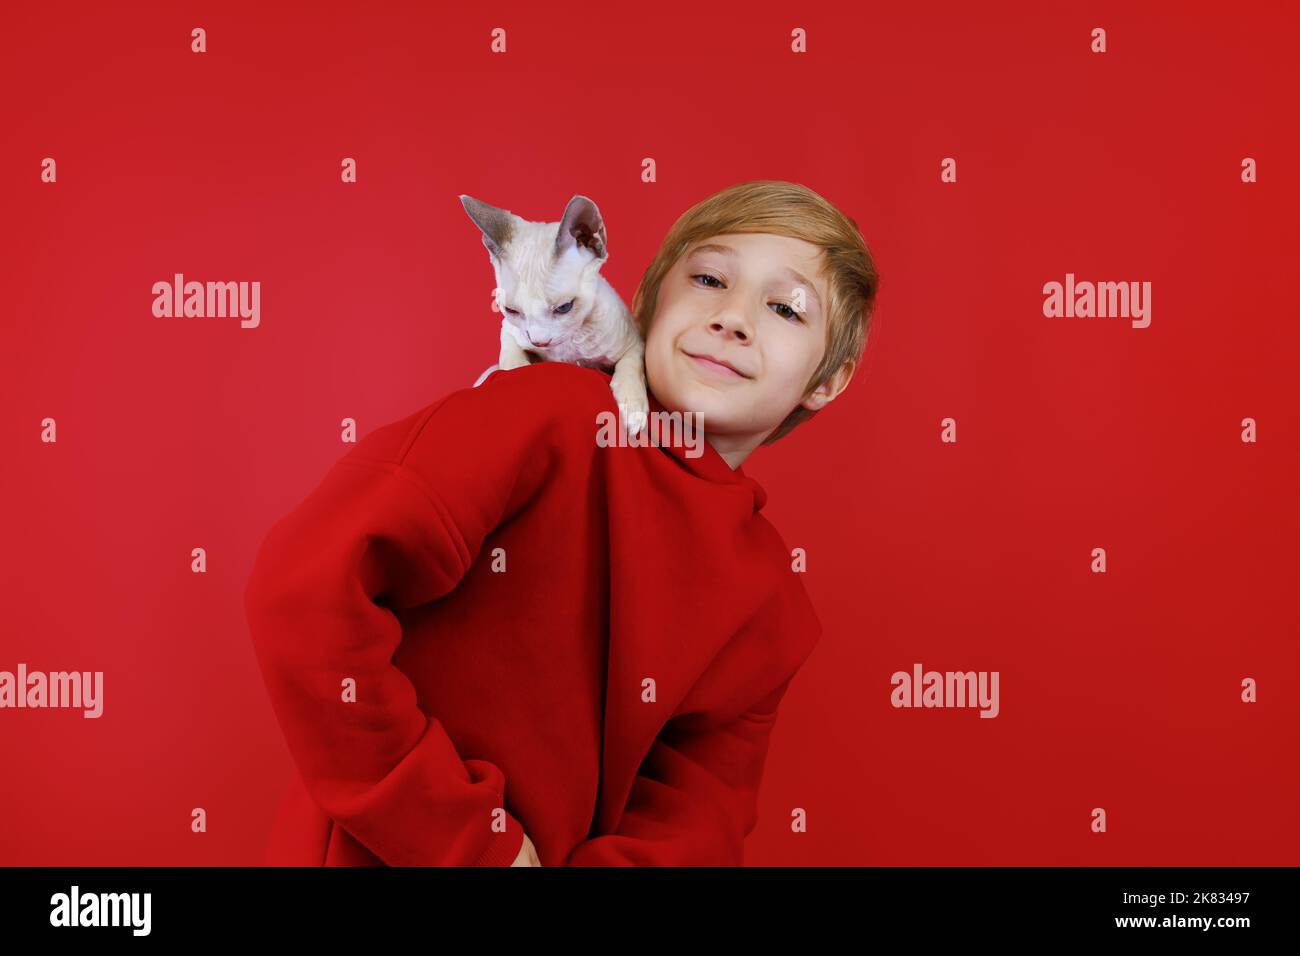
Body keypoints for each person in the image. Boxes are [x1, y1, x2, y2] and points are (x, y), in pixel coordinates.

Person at [243, 179, 879, 866]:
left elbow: (698, 816)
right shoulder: (543, 415)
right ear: (644, 298)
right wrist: (471, 843)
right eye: (707, 278)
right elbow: (307, 591)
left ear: (828, 380)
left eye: (786, 308)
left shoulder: (771, 601)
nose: (733, 317)